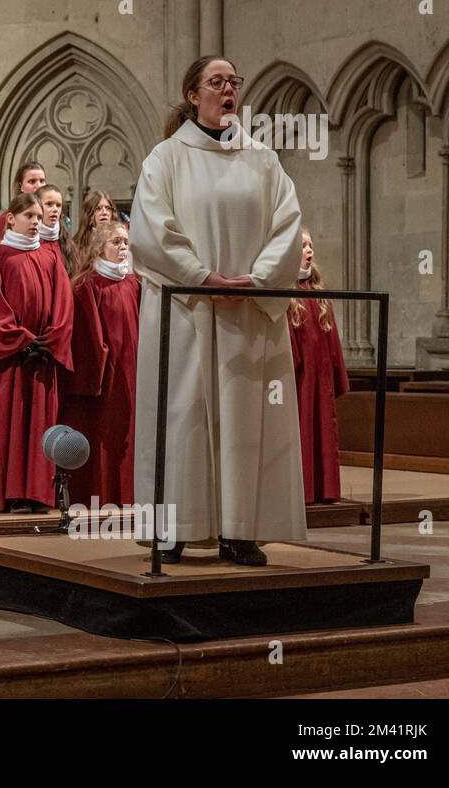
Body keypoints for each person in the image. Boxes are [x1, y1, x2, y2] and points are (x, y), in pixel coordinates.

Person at [130, 55, 305, 566]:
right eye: (217, 81)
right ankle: (173, 528)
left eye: (234, 81)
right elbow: (151, 231)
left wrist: (255, 281)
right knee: (182, 417)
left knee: (245, 423)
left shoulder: (263, 160)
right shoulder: (165, 158)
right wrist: (202, 277)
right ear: (193, 94)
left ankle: (239, 530)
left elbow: (288, 228)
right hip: (185, 311)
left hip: (249, 312)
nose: (228, 89)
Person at [0, 192, 74, 513]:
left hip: (43, 357)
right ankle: (13, 494)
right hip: (11, 361)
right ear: (11, 218)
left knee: (41, 427)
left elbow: (64, 305)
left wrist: (51, 340)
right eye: (29, 216)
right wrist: (22, 341)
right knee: (10, 427)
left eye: (39, 216)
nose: (36, 222)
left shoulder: (50, 256)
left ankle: (38, 493)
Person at [60, 222, 140, 507]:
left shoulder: (134, 284)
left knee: (127, 438)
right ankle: (100, 499)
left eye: (125, 242)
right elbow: (86, 337)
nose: (122, 248)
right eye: (115, 242)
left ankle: (129, 498)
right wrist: (99, 370)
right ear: (99, 247)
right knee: (103, 437)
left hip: (131, 372)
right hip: (104, 376)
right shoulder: (86, 285)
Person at [288, 229, 349, 505]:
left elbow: (332, 338)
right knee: (302, 427)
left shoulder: (319, 293)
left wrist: (336, 374)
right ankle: (304, 489)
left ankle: (325, 489)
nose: (309, 249)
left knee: (323, 426)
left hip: (320, 375)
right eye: (302, 245)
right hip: (299, 377)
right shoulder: (286, 294)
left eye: (311, 244)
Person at [0, 160, 46, 237]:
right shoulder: (5, 219)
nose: (38, 186)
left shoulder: (53, 217)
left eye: (42, 181)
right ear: (21, 186)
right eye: (32, 181)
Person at [69, 190, 117, 275]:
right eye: (98, 209)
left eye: (108, 208)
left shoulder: (121, 242)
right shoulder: (76, 246)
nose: (104, 212)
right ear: (89, 214)